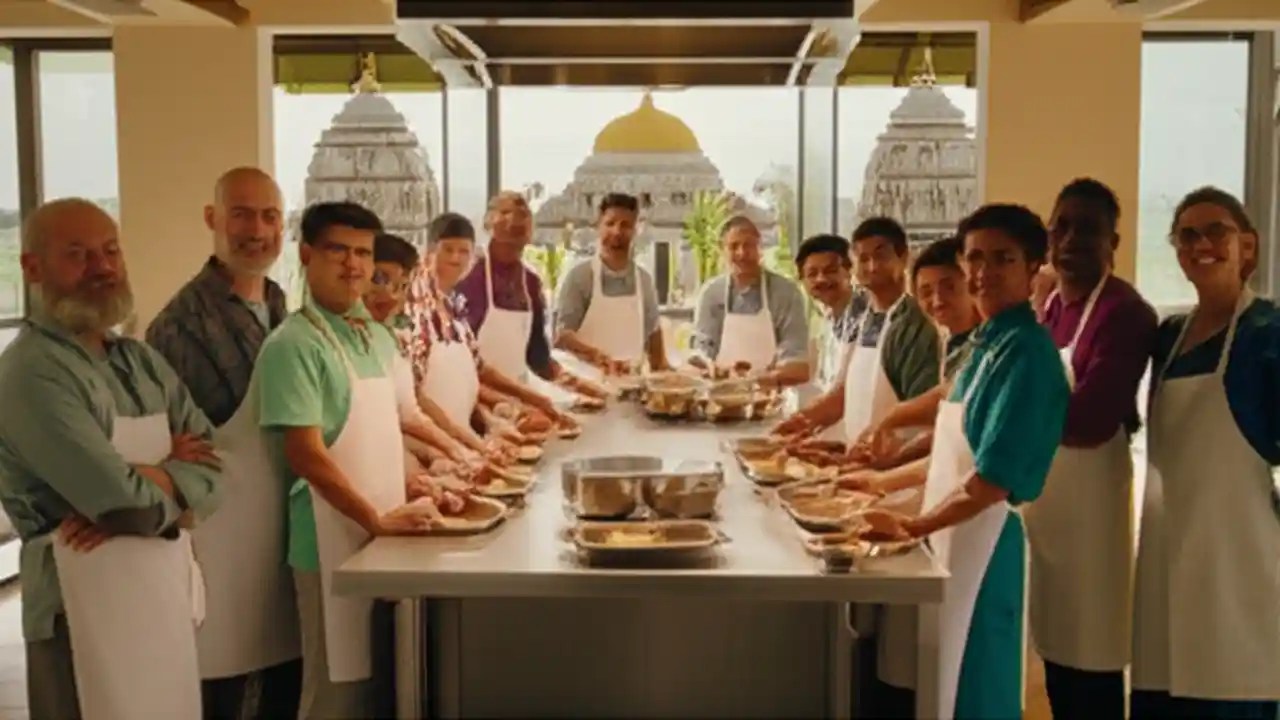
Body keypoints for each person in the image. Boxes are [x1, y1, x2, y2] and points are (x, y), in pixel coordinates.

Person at [0, 197, 222, 719]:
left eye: (111, 251)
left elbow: (216, 468)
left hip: (163, 594)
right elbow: (125, 507)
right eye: (77, 254)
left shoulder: (139, 361)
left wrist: (147, 481)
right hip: (76, 609)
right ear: (32, 267)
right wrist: (168, 477)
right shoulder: (33, 373)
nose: (101, 267)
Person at [863, 203, 1069, 720]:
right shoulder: (986, 342)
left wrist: (914, 524)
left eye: (1002, 258)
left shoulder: (1028, 353)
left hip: (988, 543)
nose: (984, 272)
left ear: (1032, 269)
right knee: (945, 687)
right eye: (975, 258)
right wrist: (879, 479)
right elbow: (950, 443)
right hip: (953, 535)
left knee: (978, 687)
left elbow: (992, 479)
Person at [254, 201, 439, 718]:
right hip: (329, 541)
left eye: (363, 252)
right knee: (336, 691)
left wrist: (421, 486)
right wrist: (374, 519)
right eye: (338, 250)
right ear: (307, 254)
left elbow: (388, 428)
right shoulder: (292, 345)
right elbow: (306, 454)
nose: (354, 265)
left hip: (385, 532)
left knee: (382, 686)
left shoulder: (374, 335)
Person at [146, 166, 300, 720]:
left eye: (269, 216)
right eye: (241, 214)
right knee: (225, 693)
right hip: (221, 540)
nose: (256, 230)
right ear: (213, 220)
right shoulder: (179, 323)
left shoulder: (282, 305)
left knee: (285, 685)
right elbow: (179, 445)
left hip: (281, 532)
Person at [1131, 186, 1279, 720]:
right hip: (1166, 556)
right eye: (1186, 235)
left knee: (1229, 686)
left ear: (1249, 246)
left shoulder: (1269, 334)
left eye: (1216, 230)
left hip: (1238, 565)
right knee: (1163, 683)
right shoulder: (1168, 336)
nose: (1200, 244)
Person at [1030, 178, 1157, 720]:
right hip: (1049, 506)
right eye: (1062, 226)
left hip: (1090, 515)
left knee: (1092, 668)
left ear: (1114, 242)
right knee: (1057, 658)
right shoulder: (1052, 305)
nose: (1071, 239)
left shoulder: (1126, 313)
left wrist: (1017, 415)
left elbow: (1091, 419)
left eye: (1089, 228)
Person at [407, 213, 577, 449]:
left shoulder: (455, 305)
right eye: (448, 250)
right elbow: (413, 397)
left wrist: (518, 406)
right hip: (434, 446)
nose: (456, 259)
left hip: (464, 437)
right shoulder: (413, 309)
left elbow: (475, 372)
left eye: (464, 251)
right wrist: (462, 445)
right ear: (429, 252)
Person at [773, 218, 938, 444]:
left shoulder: (913, 326)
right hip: (858, 458)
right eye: (863, 258)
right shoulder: (864, 320)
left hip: (893, 466)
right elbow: (841, 395)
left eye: (881, 256)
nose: (872, 266)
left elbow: (923, 417)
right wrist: (799, 421)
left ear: (903, 258)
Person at [454, 191, 603, 398]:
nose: (514, 220)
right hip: (475, 399)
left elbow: (538, 358)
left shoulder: (531, 283)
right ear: (487, 223)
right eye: (505, 212)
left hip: (521, 399)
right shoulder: (469, 277)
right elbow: (458, 360)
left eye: (523, 214)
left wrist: (582, 387)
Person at [555, 192, 670, 374]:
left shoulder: (644, 281)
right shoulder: (580, 277)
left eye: (625, 225)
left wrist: (668, 377)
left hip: (633, 383)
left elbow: (654, 339)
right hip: (588, 384)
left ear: (635, 230)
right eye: (610, 224)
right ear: (598, 227)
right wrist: (597, 357)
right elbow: (562, 336)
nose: (617, 232)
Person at [691, 215, 811, 388]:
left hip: (774, 397)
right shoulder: (711, 294)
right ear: (722, 250)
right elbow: (702, 347)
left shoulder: (786, 292)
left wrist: (762, 379)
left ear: (759, 247)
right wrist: (708, 366)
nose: (742, 253)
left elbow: (797, 360)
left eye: (748, 245)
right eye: (734, 246)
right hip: (722, 395)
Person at [793, 233, 867, 391]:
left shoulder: (866, 316)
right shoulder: (826, 317)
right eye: (812, 274)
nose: (821, 279)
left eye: (830, 271)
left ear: (850, 271)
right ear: (802, 280)